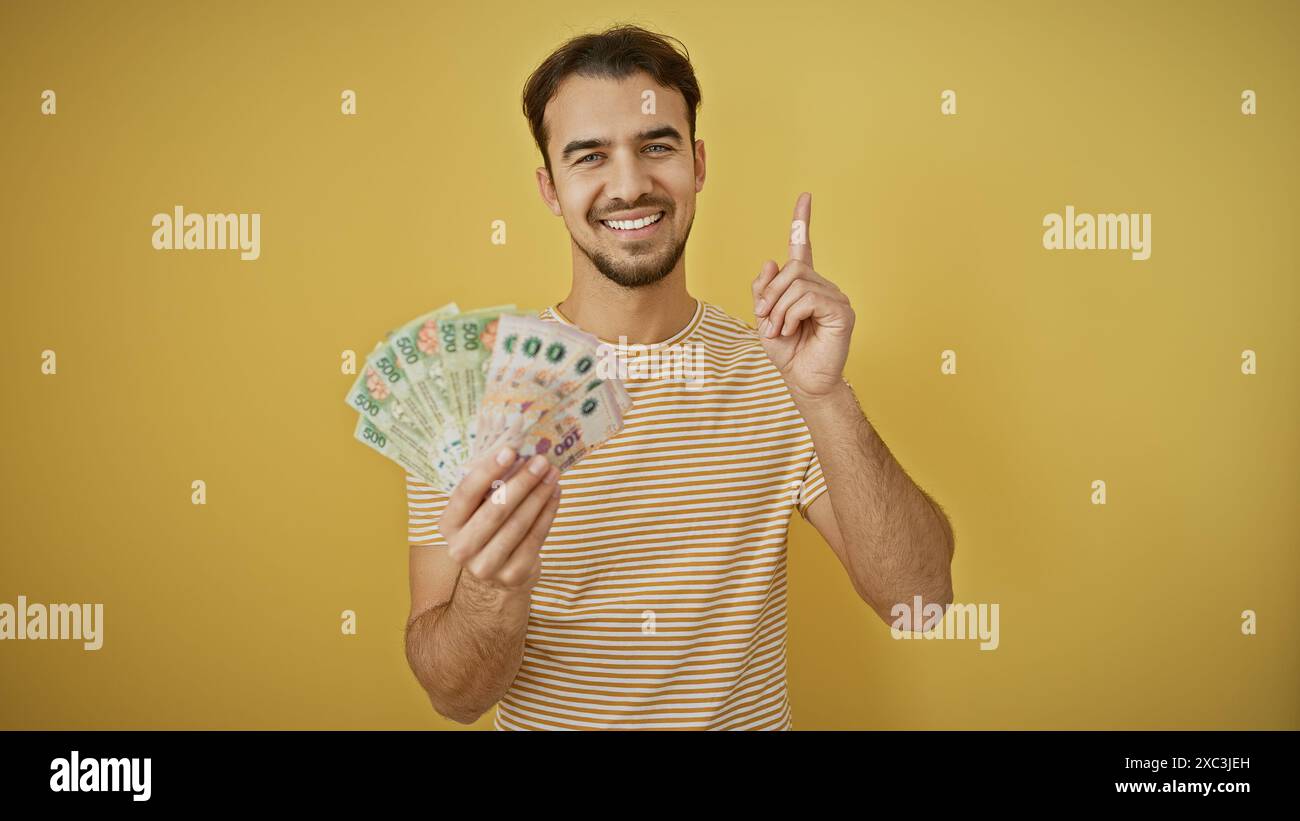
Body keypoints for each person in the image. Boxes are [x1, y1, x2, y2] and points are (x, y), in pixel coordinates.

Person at [403, 23, 955, 730]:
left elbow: (923, 604)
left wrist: (825, 394)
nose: (630, 185)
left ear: (697, 163)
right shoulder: (470, 390)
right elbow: (455, 698)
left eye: (655, 146)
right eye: (589, 156)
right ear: (550, 187)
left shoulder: (781, 369)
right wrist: (494, 581)